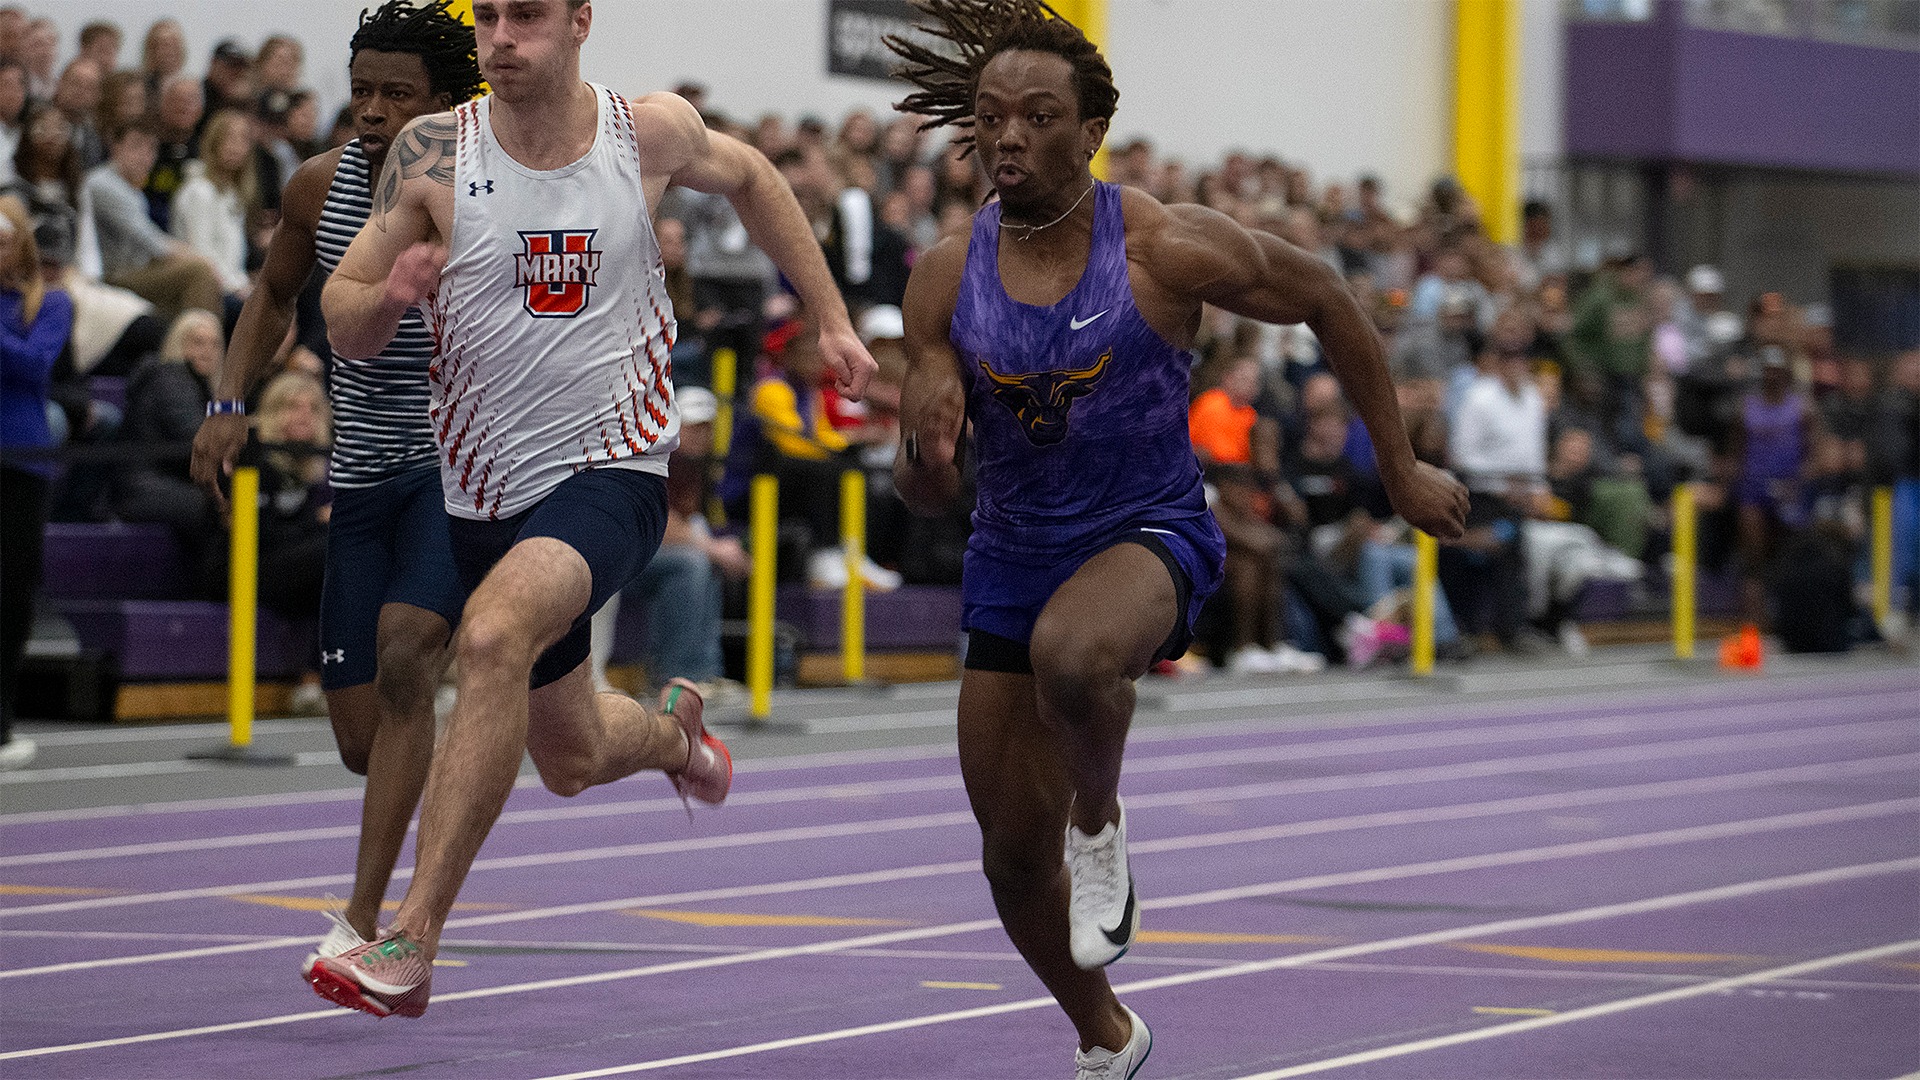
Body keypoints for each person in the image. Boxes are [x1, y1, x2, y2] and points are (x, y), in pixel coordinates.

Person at [884, 4, 1468, 1076]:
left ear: (1091, 129)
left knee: (1078, 655)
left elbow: (1329, 299)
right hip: (1010, 553)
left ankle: (1100, 822)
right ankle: (1108, 1035)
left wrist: (1398, 467)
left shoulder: (1163, 245)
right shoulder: (944, 276)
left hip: (1146, 532)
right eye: (990, 117)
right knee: (1011, 862)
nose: (1007, 137)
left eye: (1037, 116)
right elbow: (922, 490)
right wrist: (921, 465)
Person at [306, 0, 877, 1019]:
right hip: (484, 493)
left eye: (526, 18)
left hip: (614, 468)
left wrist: (830, 319)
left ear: (579, 23)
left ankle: (411, 940)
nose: (501, 41)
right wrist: (392, 290)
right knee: (568, 757)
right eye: (488, 20)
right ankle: (674, 734)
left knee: (487, 639)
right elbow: (342, 319)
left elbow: (754, 179)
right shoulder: (436, 153)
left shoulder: (643, 131)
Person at [189, 0, 485, 981]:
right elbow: (272, 292)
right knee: (366, 740)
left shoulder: (486, 186)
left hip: (456, 472)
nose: (370, 109)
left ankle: (365, 917)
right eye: (360, 89)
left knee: (408, 657)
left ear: (448, 101)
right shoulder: (321, 184)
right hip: (359, 482)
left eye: (396, 93)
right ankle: (468, 769)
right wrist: (230, 396)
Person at [0, 195, 70, 769]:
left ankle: (1, 720)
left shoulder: (50, 303)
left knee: (11, 591)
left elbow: (31, 365)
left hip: (22, 460)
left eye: (5, 237)